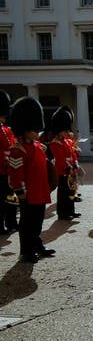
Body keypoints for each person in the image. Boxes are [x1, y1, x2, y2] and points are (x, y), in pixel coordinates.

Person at [8, 96, 54, 263]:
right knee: (26, 224)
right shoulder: (18, 150)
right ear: (25, 128)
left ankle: (36, 245)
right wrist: (20, 191)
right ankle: (26, 251)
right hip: (28, 194)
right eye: (35, 129)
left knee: (37, 223)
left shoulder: (38, 147)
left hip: (40, 192)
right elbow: (15, 174)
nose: (38, 132)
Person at [49, 106, 80, 221]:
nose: (67, 132)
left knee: (71, 191)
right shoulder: (55, 143)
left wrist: (75, 163)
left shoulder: (67, 141)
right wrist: (68, 168)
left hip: (70, 170)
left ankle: (70, 211)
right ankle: (62, 213)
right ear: (58, 130)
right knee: (63, 193)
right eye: (65, 130)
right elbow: (60, 158)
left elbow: (73, 154)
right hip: (63, 171)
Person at [0, 90, 18, 235]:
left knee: (12, 197)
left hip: (10, 168)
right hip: (1, 169)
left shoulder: (7, 130)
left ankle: (12, 222)